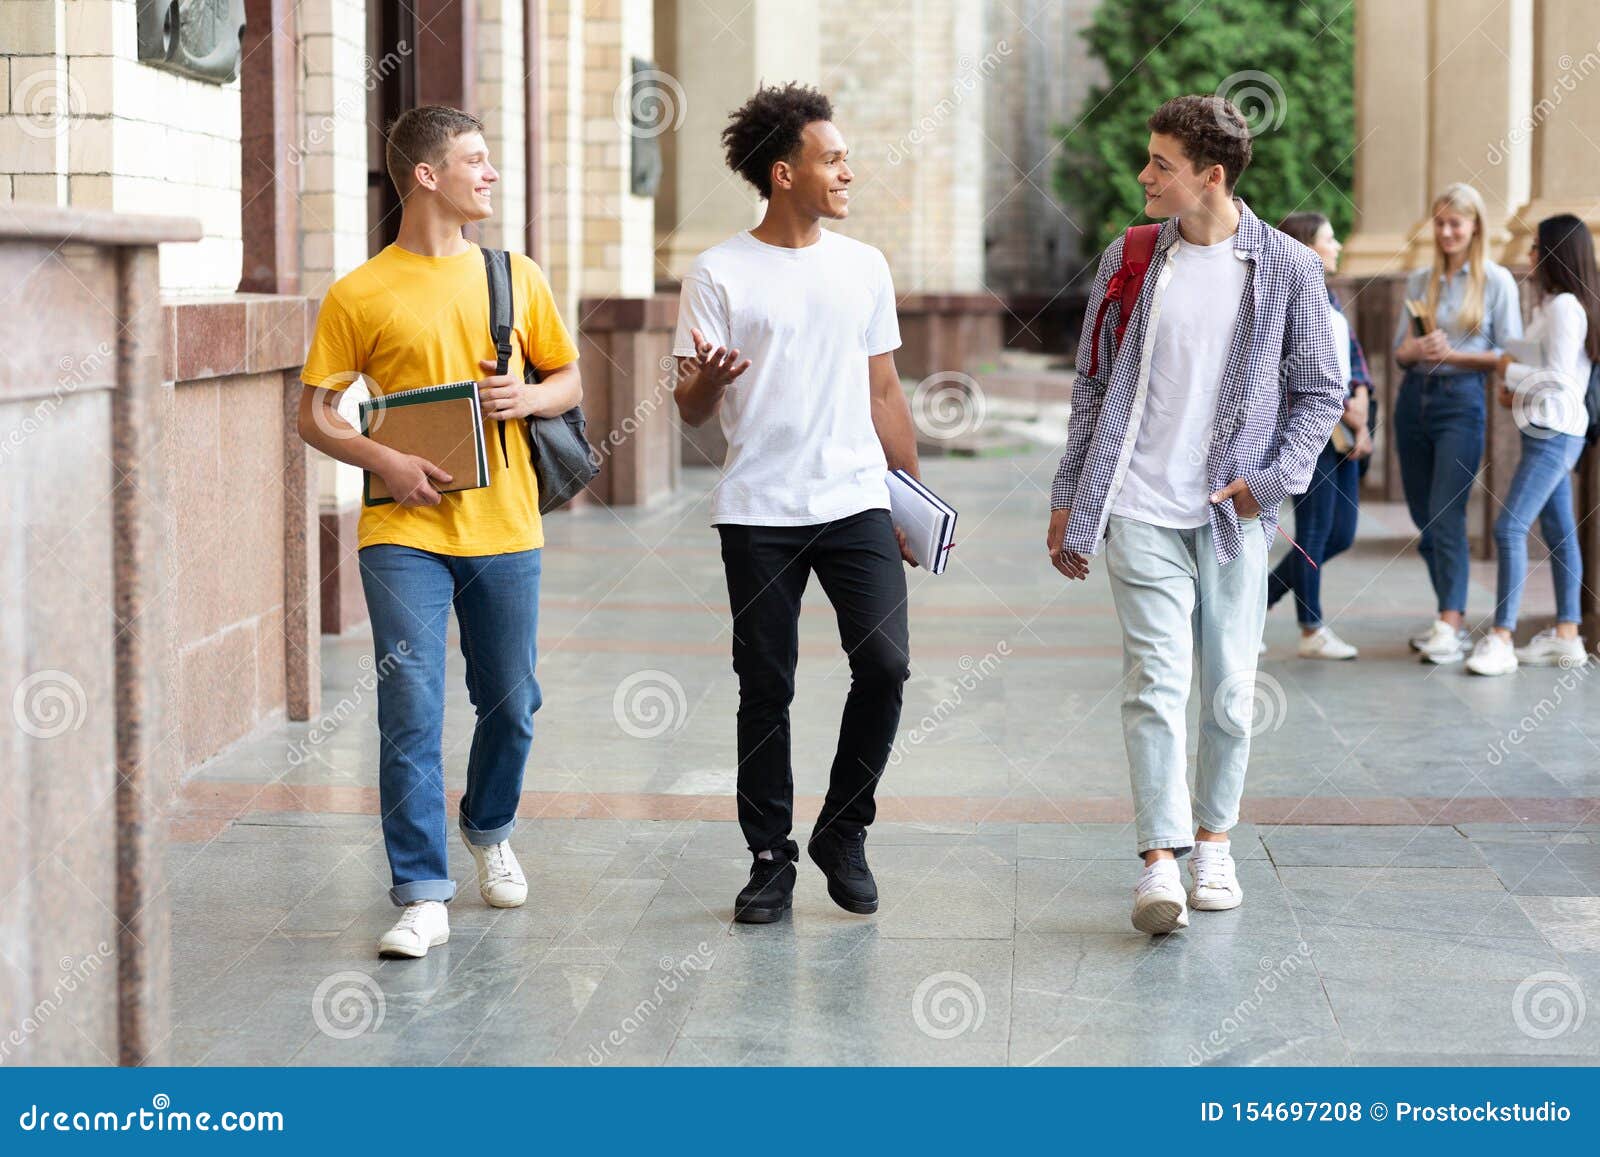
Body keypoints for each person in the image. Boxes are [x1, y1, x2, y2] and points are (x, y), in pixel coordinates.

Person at [1046, 95, 1342, 935]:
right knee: (1155, 683)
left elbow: (1320, 391)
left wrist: (1271, 481)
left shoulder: (1286, 267)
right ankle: (1160, 861)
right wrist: (1072, 493)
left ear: (1210, 176)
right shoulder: (1133, 258)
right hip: (1138, 504)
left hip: (1232, 515)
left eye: (1161, 164)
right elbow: (1092, 383)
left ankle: (1215, 838)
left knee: (1231, 692)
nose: (1143, 175)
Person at [297, 106, 582, 958]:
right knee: (409, 706)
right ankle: (421, 891)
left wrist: (528, 397)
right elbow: (314, 414)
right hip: (400, 528)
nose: (490, 175)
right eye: (476, 161)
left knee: (512, 702)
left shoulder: (514, 276)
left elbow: (565, 377)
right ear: (427, 175)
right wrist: (384, 461)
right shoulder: (360, 291)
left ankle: (488, 824)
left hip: (504, 523)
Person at [671, 83, 919, 925]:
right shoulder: (718, 272)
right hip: (758, 511)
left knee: (885, 666)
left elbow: (884, 389)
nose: (849, 170)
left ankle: (842, 831)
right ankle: (769, 856)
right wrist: (702, 381)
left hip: (855, 502)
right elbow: (691, 408)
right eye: (834, 159)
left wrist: (910, 501)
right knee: (764, 686)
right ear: (784, 173)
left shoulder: (864, 266)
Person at [1392, 183, 1523, 664]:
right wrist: (1417, 351)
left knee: (1446, 513)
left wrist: (1455, 356)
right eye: (1440, 222)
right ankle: (1449, 619)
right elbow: (1400, 350)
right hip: (1414, 400)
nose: (1446, 232)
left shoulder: (1496, 281)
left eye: (1456, 224)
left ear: (1474, 227)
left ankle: (1450, 620)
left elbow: (1509, 354)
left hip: (1461, 404)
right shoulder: (1419, 280)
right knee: (1423, 515)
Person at [1465, 214, 1597, 675]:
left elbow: (1561, 382)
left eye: (1537, 248)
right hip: (1548, 432)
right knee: (1560, 534)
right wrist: (1517, 381)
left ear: (1556, 254)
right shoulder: (1554, 305)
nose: (1529, 256)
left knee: (1507, 528)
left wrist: (1509, 373)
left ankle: (1501, 638)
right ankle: (1567, 635)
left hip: (1555, 435)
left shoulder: (1564, 308)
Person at [1264, 212, 1373, 660]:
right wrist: (1351, 412)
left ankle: (1250, 604)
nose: (1338, 246)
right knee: (1313, 531)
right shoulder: (1288, 297)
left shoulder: (1326, 296)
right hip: (1310, 431)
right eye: (1330, 239)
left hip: (1344, 432)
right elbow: (1300, 372)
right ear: (1307, 247)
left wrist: (1362, 399)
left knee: (1341, 534)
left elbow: (1351, 356)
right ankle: (1311, 629)